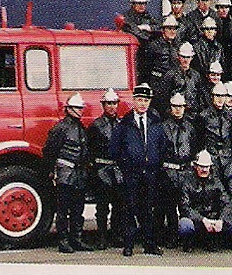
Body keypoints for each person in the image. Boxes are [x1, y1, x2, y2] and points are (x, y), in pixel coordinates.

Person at [110, 83, 167, 257]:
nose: (143, 104)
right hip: (131, 173)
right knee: (129, 209)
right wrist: (125, 165)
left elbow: (162, 146)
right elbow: (115, 149)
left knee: (148, 209)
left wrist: (155, 163)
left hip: (150, 173)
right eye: (140, 100)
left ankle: (150, 244)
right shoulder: (124, 124)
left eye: (146, 100)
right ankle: (128, 245)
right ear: (134, 101)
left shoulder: (155, 123)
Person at [42, 93, 93, 253]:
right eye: (77, 108)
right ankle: (63, 241)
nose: (80, 110)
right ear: (69, 109)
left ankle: (76, 239)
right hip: (65, 172)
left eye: (81, 108)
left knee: (78, 209)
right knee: (63, 209)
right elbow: (50, 151)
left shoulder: (81, 127)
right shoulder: (60, 128)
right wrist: (51, 171)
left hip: (79, 173)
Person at [85, 88, 124, 250]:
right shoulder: (96, 125)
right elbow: (89, 149)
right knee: (102, 207)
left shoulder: (123, 124)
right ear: (103, 105)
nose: (112, 106)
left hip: (118, 170)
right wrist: (94, 170)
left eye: (114, 103)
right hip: (101, 170)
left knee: (118, 206)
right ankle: (101, 236)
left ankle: (115, 235)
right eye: (108, 103)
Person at [178, 150, 232, 252]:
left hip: (213, 219)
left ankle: (219, 241)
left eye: (207, 167)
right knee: (185, 225)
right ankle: (189, 243)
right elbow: (184, 207)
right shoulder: (187, 182)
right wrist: (202, 219)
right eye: (201, 166)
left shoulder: (216, 182)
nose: (204, 169)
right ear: (196, 166)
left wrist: (221, 220)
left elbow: (227, 203)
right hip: (197, 221)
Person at [157, 93, 196, 248]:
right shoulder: (163, 127)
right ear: (170, 108)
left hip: (186, 171)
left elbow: (194, 147)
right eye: (175, 106)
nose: (178, 109)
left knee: (186, 205)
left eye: (181, 106)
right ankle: (171, 236)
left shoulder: (190, 127)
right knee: (169, 207)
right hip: (169, 171)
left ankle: (187, 238)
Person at [196, 82, 232, 185]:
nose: (220, 99)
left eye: (223, 96)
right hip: (211, 156)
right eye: (217, 96)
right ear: (212, 97)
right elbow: (199, 138)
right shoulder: (203, 116)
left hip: (227, 158)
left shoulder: (231, 116)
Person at [159, 41, 203, 120]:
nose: (185, 60)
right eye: (183, 57)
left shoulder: (196, 75)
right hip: (174, 114)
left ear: (192, 58)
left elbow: (199, 96)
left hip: (192, 116)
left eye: (188, 57)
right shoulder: (170, 74)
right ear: (178, 57)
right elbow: (163, 96)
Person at [121, 0, 157, 83]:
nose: (142, 6)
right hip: (133, 53)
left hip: (146, 55)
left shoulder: (148, 16)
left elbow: (159, 28)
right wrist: (149, 35)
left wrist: (148, 27)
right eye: (139, 3)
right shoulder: (127, 18)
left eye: (144, 3)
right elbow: (135, 32)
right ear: (133, 4)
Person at [144, 14, 180, 94]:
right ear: (163, 30)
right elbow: (146, 68)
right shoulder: (154, 46)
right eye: (169, 29)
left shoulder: (177, 46)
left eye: (174, 29)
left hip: (174, 84)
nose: (173, 31)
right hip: (158, 85)